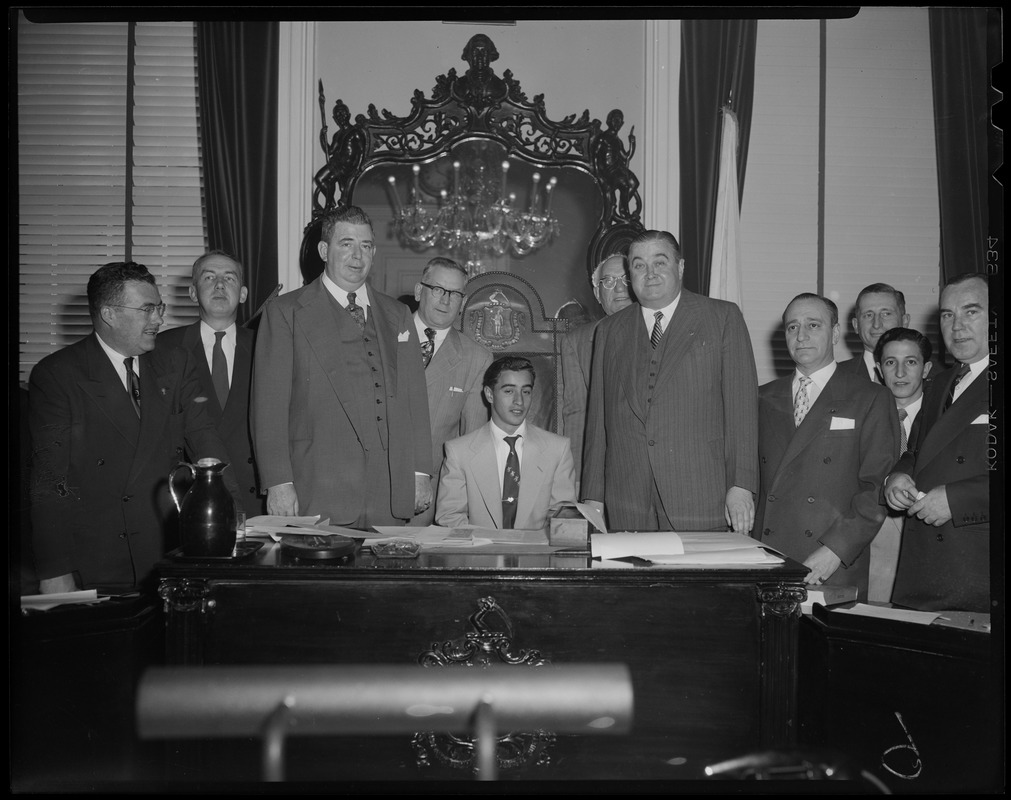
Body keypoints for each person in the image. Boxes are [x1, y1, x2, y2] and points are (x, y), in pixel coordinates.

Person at [28, 262, 235, 593]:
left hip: (169, 552)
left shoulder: (175, 362)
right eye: (147, 309)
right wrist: (54, 572)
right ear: (109, 314)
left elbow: (203, 435)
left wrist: (225, 510)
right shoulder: (57, 376)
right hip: (99, 559)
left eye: (159, 307)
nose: (158, 319)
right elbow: (50, 485)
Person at [252, 205, 433, 528]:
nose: (357, 256)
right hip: (317, 490)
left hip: (387, 493)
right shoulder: (285, 312)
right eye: (346, 244)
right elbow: (269, 407)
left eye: (365, 246)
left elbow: (414, 402)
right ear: (324, 250)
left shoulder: (397, 315)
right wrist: (279, 482)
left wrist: (419, 473)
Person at [581, 230, 759, 533]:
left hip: (702, 497)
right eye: (639, 265)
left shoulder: (722, 318)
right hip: (628, 502)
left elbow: (742, 411)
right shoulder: (609, 330)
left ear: (680, 267)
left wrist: (741, 486)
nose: (649, 274)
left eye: (659, 263)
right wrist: (592, 497)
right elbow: (598, 423)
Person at [754, 294, 899, 597]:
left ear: (834, 333)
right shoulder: (761, 397)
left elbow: (876, 487)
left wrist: (835, 550)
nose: (802, 336)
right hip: (768, 557)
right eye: (792, 327)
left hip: (832, 560)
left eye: (813, 325)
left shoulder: (870, 397)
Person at [884, 273, 990, 612]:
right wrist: (897, 476)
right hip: (924, 568)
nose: (956, 325)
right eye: (947, 315)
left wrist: (956, 499)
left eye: (971, 312)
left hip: (977, 570)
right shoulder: (941, 382)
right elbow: (916, 451)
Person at [158, 251, 261, 518]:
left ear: (243, 294)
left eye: (230, 278)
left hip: (255, 500)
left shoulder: (268, 346)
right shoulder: (163, 348)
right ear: (193, 293)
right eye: (209, 277)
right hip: (188, 499)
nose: (219, 285)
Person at [436, 356, 576, 530]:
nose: (519, 401)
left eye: (526, 391)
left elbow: (563, 519)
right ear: (489, 394)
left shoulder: (558, 449)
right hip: (480, 554)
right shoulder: (459, 451)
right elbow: (449, 518)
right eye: (509, 391)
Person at [410, 257, 492, 525]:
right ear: (419, 291)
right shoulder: (382, 338)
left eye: (454, 293)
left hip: (432, 499)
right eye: (437, 289)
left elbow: (471, 443)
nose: (445, 300)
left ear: (463, 302)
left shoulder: (476, 358)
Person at [866, 327, 934, 601]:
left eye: (911, 362)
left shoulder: (944, 416)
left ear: (926, 368)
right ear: (880, 370)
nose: (901, 372)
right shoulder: (862, 414)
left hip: (928, 542)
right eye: (891, 362)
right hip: (872, 545)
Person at [559, 253, 634, 484]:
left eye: (626, 280)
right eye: (609, 282)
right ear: (597, 293)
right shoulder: (577, 342)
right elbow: (576, 415)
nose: (619, 288)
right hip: (606, 468)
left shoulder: (662, 333)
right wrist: (577, 480)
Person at [839, 283, 910, 382]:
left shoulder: (932, 377)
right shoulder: (836, 376)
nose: (876, 324)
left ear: (905, 321)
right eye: (868, 315)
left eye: (886, 314)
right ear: (856, 325)